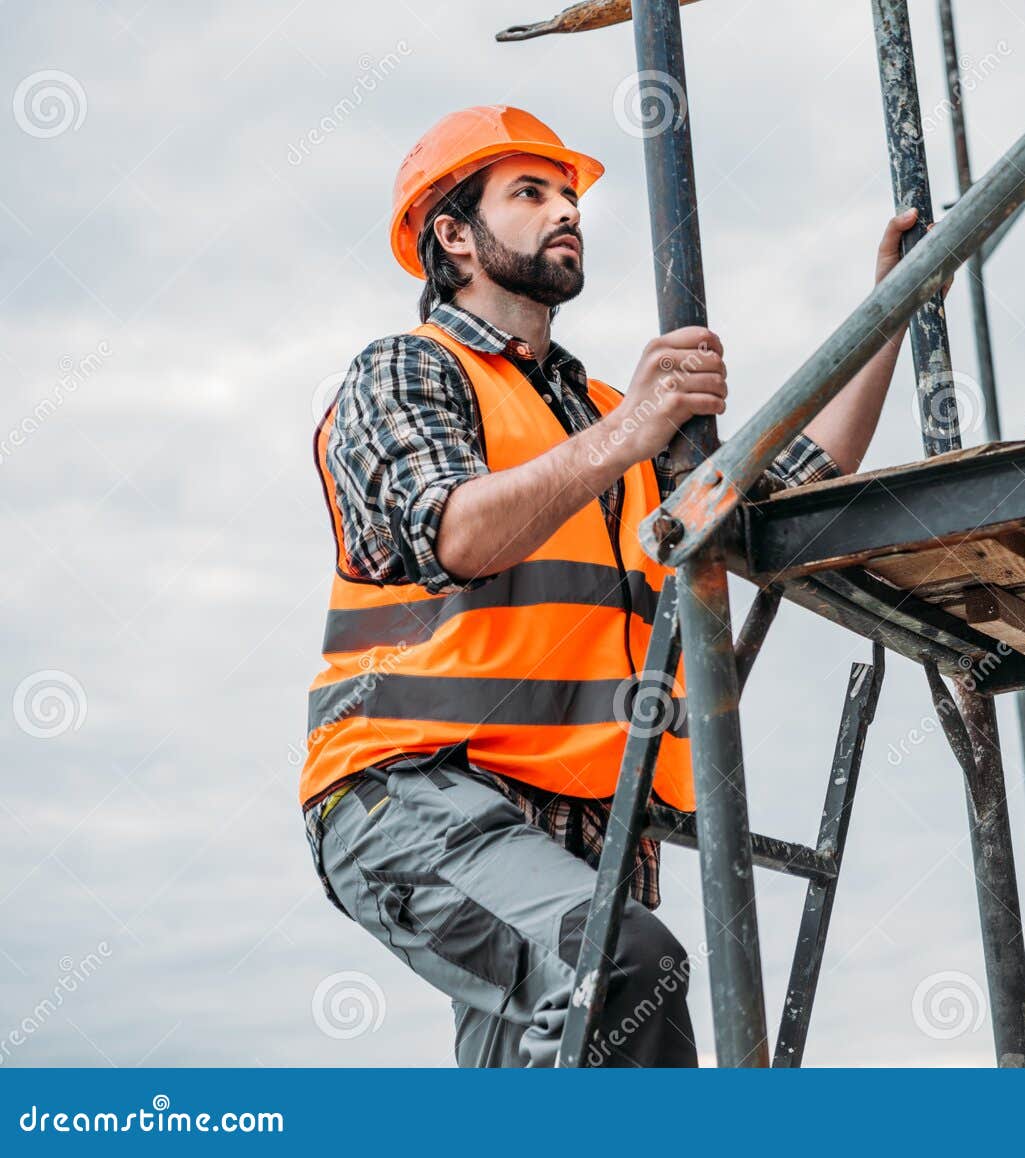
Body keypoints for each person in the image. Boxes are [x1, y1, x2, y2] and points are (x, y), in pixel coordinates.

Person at [299, 105, 917, 1066]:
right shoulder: (408, 371)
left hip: (580, 830)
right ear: (453, 236)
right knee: (626, 967)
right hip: (413, 793)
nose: (565, 211)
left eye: (570, 195)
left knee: (561, 1060)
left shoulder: (598, 418)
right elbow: (457, 530)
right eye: (530, 193)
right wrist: (634, 429)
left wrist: (893, 310)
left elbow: (790, 491)